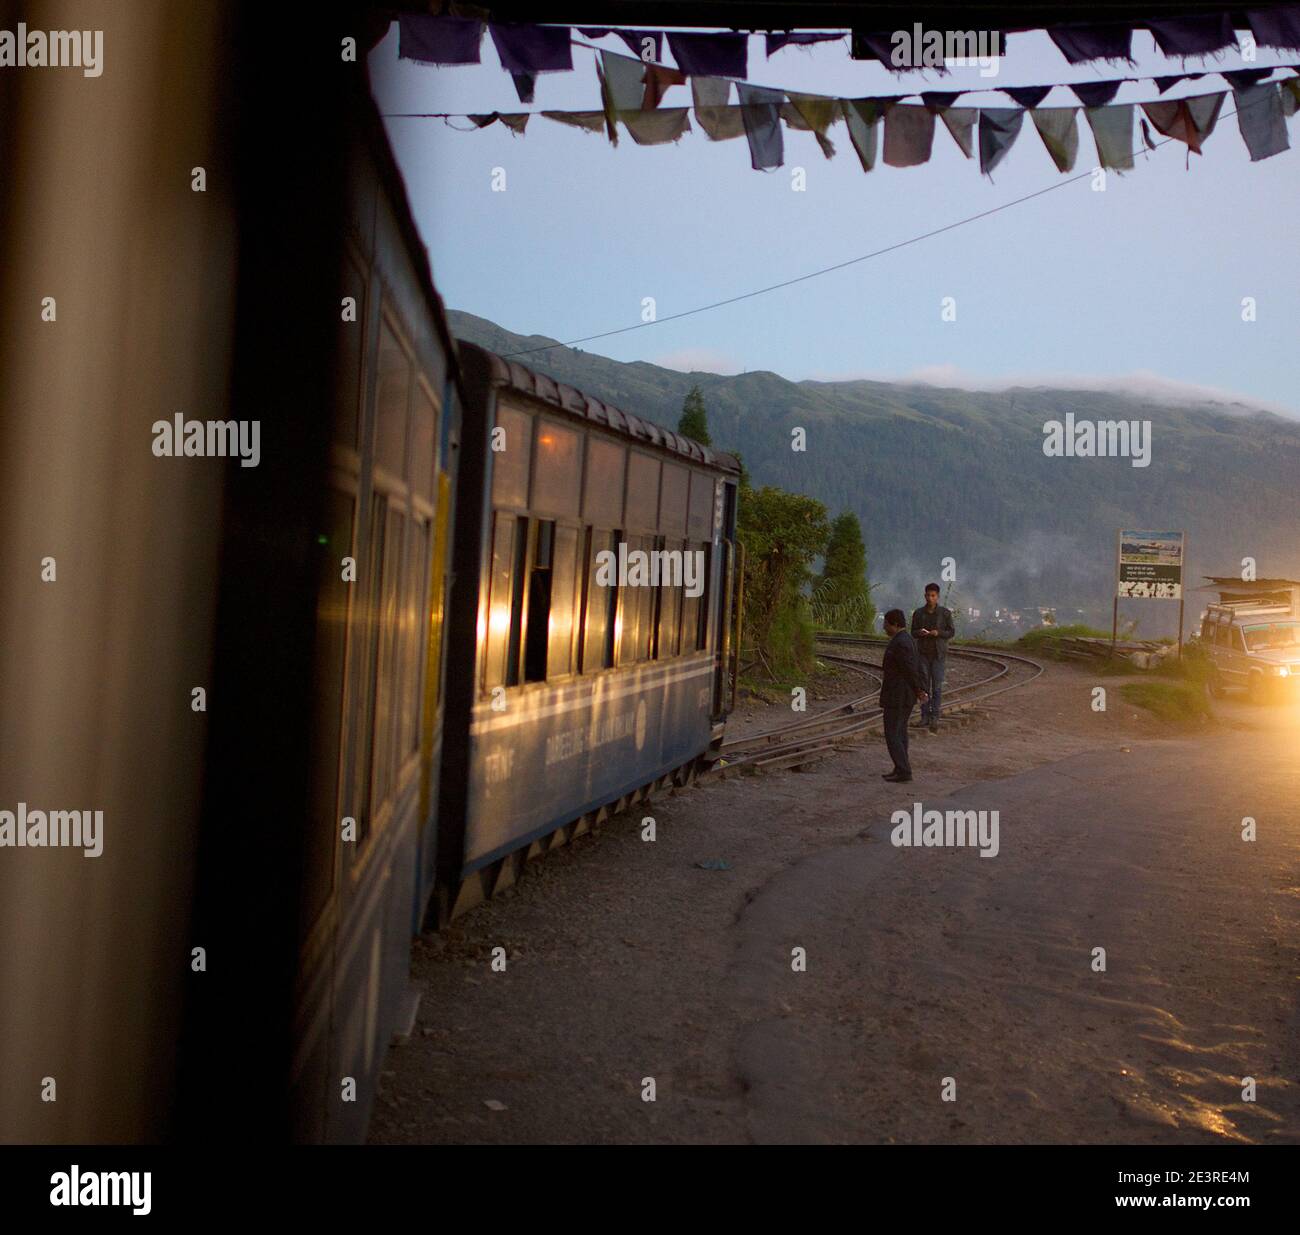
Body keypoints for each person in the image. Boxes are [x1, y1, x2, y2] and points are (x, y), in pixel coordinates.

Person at [879, 609, 928, 783]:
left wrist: (919, 689)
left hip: (898, 695)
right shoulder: (906, 639)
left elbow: (909, 669)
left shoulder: (901, 643)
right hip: (902, 694)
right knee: (900, 732)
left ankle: (903, 770)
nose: (884, 627)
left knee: (892, 732)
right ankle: (901, 767)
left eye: (886, 624)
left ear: (895, 624)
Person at [911, 582, 955, 733]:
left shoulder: (945, 613)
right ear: (925, 596)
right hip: (922, 653)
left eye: (933, 595)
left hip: (938, 654)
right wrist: (920, 633)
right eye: (928, 595)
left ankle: (934, 716)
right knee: (924, 686)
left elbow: (951, 632)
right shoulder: (918, 613)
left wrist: (939, 633)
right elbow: (913, 632)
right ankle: (924, 716)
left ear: (938, 597)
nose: (930, 598)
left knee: (936, 686)